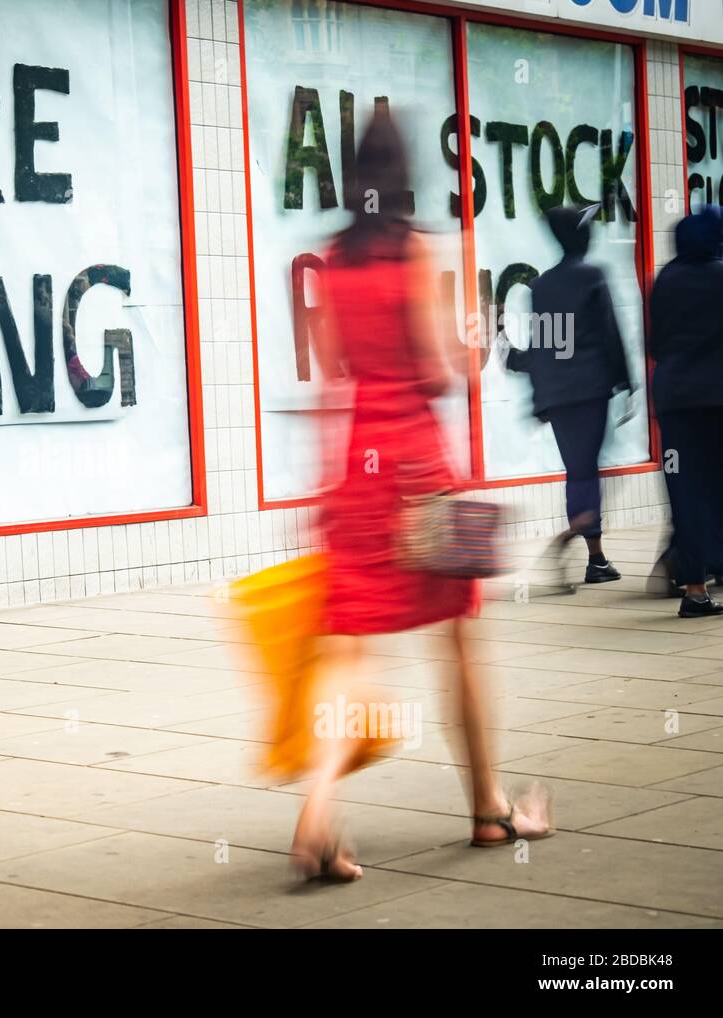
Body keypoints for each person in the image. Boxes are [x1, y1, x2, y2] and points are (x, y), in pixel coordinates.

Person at [294, 111, 552, 881]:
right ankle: (488, 810)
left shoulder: (333, 260)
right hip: (415, 467)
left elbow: (337, 364)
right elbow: (439, 371)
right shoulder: (418, 253)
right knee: (461, 640)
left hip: (357, 470)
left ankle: (317, 809)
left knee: (349, 645)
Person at [500, 205, 633, 588]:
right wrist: (627, 383)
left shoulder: (542, 286)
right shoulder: (592, 276)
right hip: (590, 389)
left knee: (579, 469)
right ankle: (574, 538)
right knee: (586, 469)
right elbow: (610, 333)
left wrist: (539, 394)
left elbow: (545, 345)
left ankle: (596, 557)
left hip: (560, 395)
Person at [647, 207, 723, 618]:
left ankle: (694, 590)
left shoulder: (666, 279)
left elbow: (655, 344)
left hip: (675, 404)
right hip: (717, 400)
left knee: (685, 492)